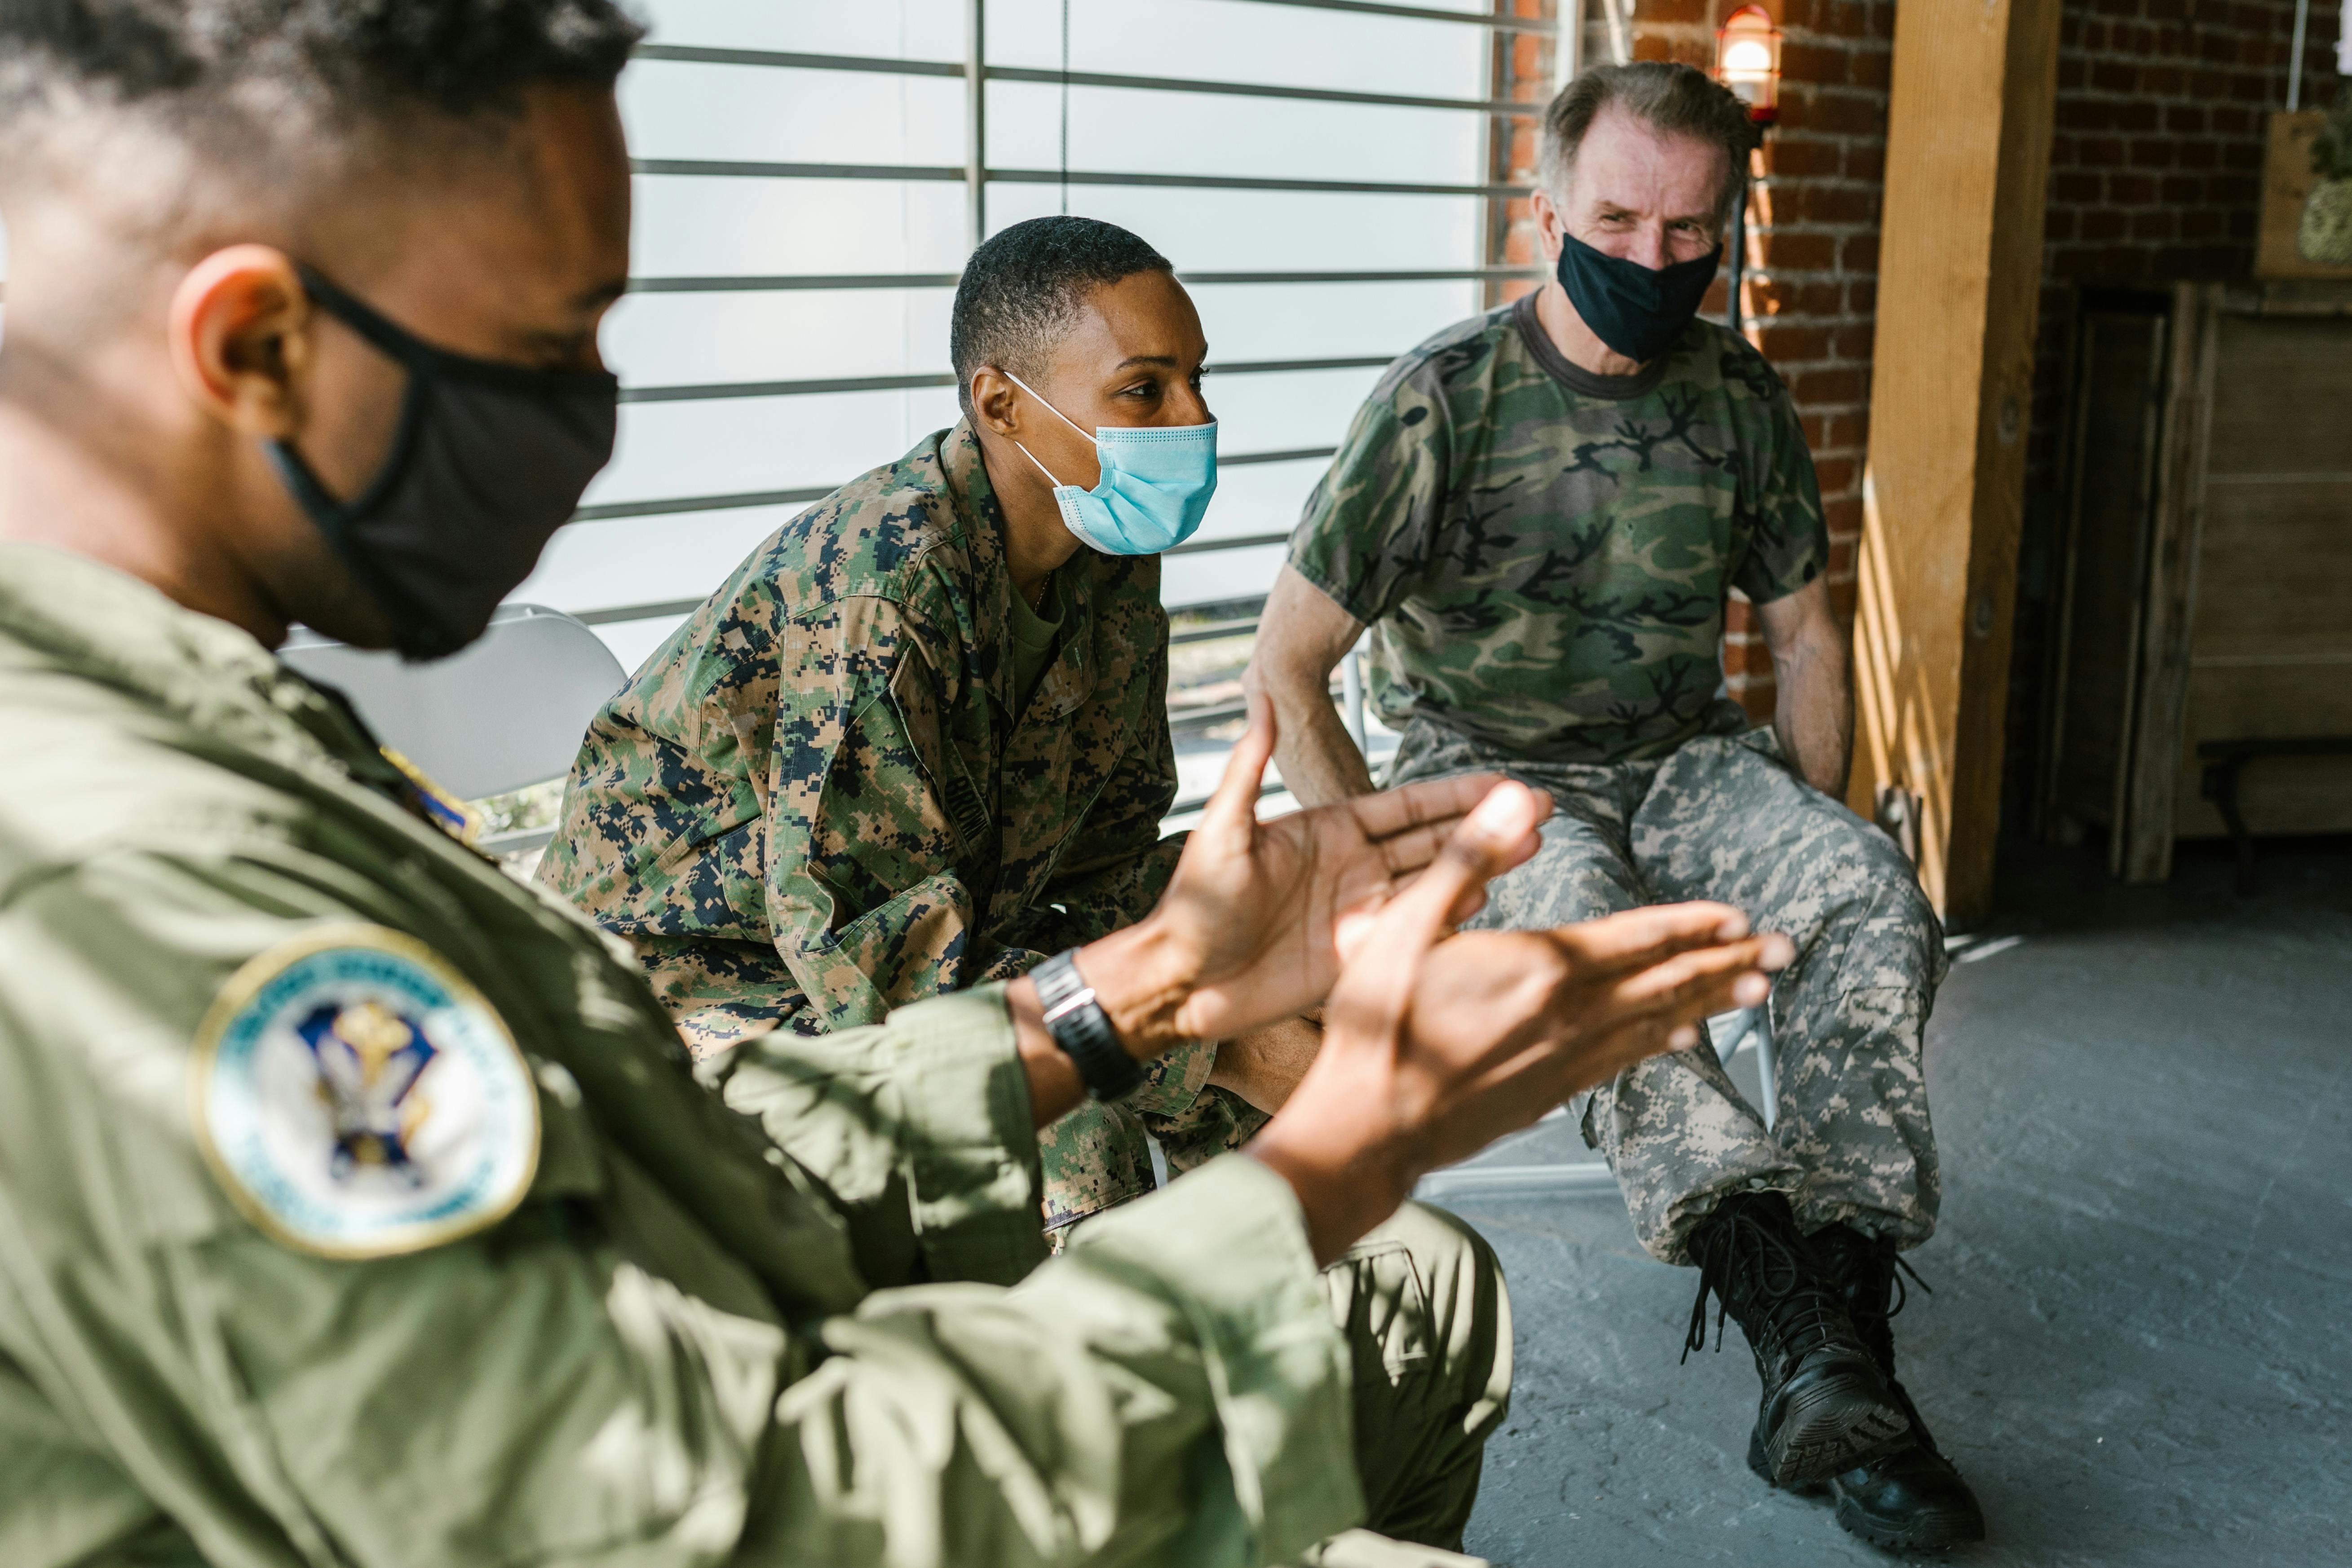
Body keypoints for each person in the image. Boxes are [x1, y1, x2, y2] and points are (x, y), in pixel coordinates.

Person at [0, 8, 1793, 1567]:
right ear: (250, 348)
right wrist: (1324, 1148)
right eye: (547, 350)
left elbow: (712, 1111)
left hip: (877, 1025)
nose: (596, 424)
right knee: (1263, 1229)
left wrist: (1160, 977)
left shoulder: (242, 743)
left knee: (1396, 1281)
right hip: (761, 987)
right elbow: (689, 1496)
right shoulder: (132, 902)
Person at [1244, 60, 1982, 1552]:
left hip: (1682, 754)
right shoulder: (1439, 402)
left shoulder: (1739, 398)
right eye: (1619, 219)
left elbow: (1802, 641)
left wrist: (1794, 853)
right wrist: (1376, 873)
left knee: (1865, 896)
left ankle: (1837, 1348)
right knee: (1588, 933)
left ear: (1727, 228)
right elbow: (1286, 663)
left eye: (1689, 229)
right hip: (1485, 766)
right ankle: (1807, 1344)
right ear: (1545, 217)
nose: (1654, 259)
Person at [542, 215, 1312, 1241]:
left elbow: (1108, 849)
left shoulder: (1102, 546)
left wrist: (1238, 956)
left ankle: (1283, 1289)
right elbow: (879, 969)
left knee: (1273, 911)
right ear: (1001, 404)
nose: (1193, 418)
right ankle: (1102, 1374)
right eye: (1144, 390)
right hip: (702, 980)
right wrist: (1203, 1043)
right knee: (1071, 1118)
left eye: (1196, 382)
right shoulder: (884, 588)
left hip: (949, 925)